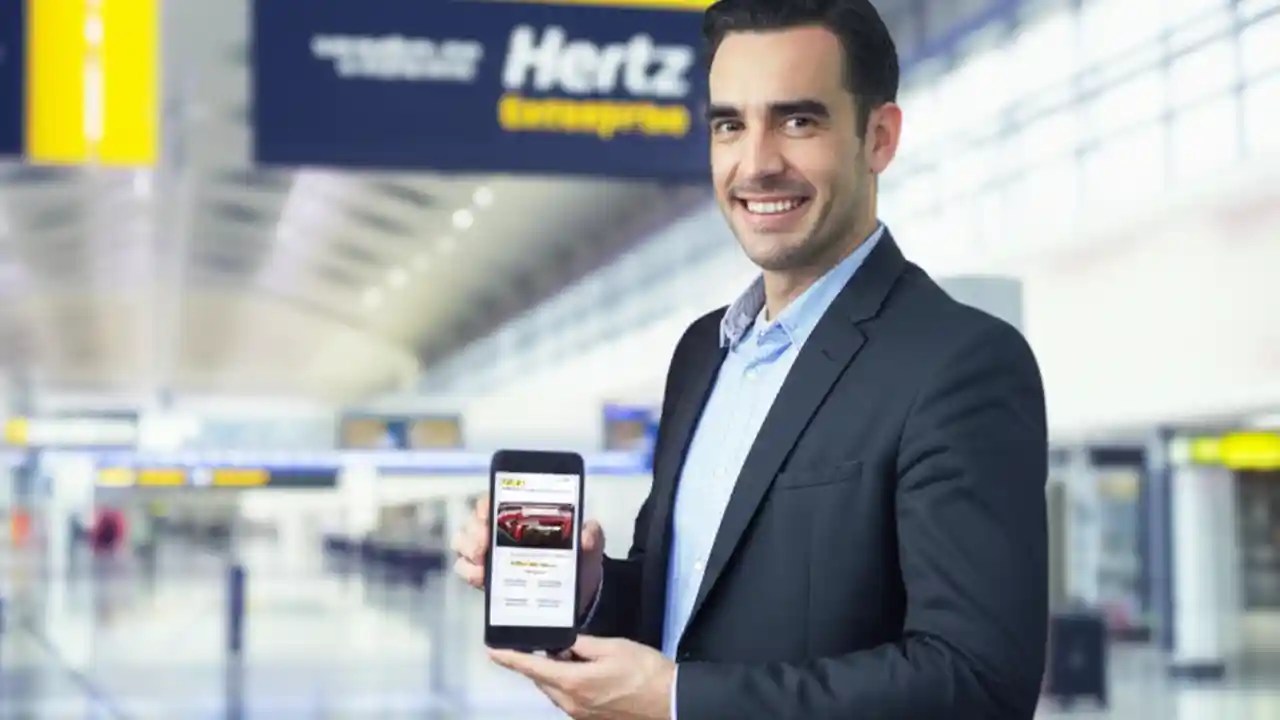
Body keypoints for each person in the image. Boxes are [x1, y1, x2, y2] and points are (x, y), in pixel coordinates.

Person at [451, 0, 1049, 717]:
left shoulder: (959, 364)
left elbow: (974, 682)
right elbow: (688, 608)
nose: (757, 163)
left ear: (879, 138)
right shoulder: (704, 352)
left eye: (799, 121)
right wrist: (591, 592)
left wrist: (678, 701)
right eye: (730, 124)